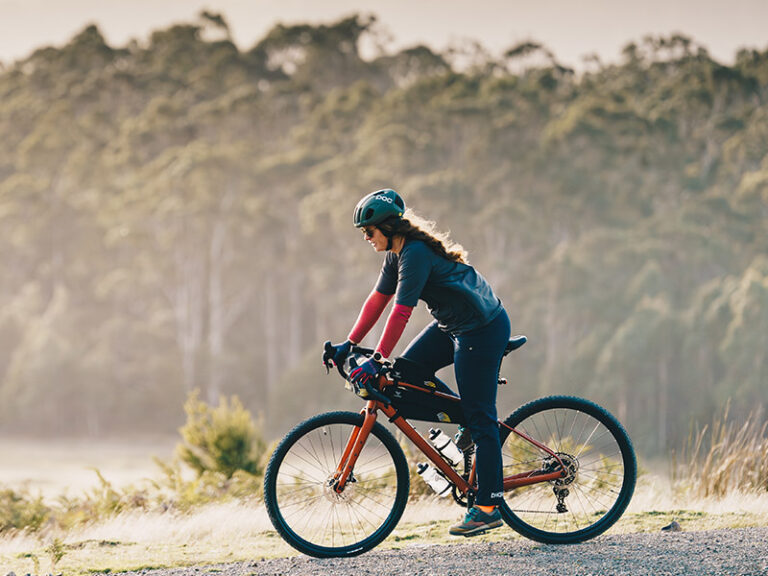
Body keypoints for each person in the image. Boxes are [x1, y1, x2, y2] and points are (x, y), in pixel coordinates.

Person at [330, 188, 512, 536]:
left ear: (388, 227)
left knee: (482, 418)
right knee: (406, 373)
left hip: (481, 329)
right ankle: (466, 420)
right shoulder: (396, 255)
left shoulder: (415, 254)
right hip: (451, 324)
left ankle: (488, 508)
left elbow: (400, 312)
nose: (366, 237)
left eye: (369, 231)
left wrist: (377, 358)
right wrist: (348, 344)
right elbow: (377, 301)